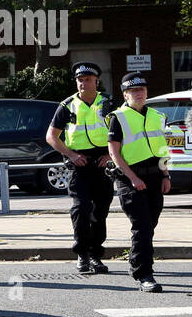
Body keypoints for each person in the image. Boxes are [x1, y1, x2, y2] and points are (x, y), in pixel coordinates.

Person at [47, 61, 118, 274]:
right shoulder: (67, 105)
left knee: (101, 210)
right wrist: (70, 154)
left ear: (97, 81)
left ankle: (96, 254)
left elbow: (123, 133)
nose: (83, 83)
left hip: (102, 162)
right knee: (81, 208)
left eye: (87, 80)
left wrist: (109, 155)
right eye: (80, 80)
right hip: (79, 163)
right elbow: (51, 136)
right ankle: (82, 254)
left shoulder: (109, 103)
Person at [107, 72, 171, 292]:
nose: (139, 94)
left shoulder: (156, 115)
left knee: (150, 225)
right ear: (125, 95)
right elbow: (114, 152)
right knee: (142, 226)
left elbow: (162, 148)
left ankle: (136, 260)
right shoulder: (119, 117)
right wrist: (133, 178)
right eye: (133, 91)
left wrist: (165, 174)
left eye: (141, 89)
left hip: (155, 176)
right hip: (129, 177)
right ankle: (145, 274)